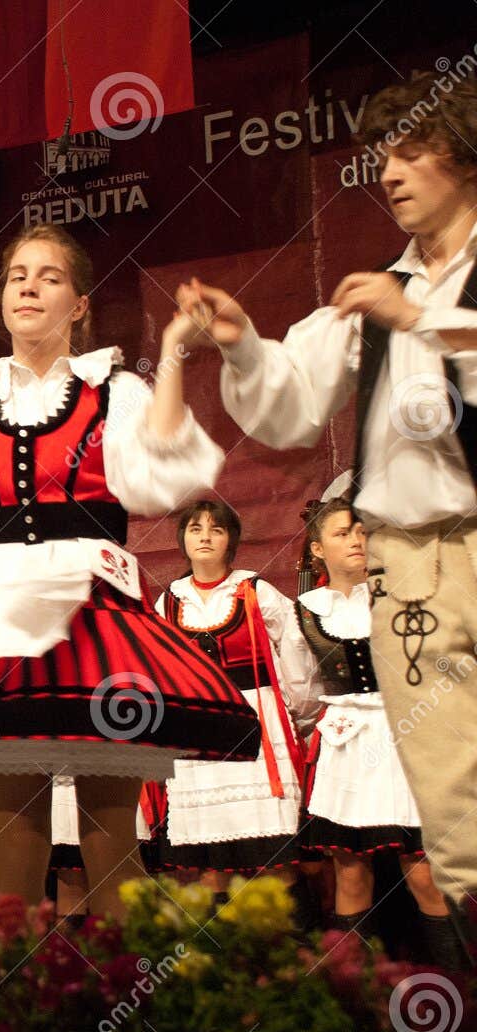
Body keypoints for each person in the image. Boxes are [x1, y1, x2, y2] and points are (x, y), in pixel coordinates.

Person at [0, 223, 257, 921]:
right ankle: (19, 986)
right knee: (17, 833)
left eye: (50, 277)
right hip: (3, 618)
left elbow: (160, 471)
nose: (29, 287)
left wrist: (174, 353)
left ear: (80, 303)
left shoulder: (110, 389)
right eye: (17, 276)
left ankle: (125, 988)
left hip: (96, 616)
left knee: (108, 834)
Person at [180, 73, 477, 953]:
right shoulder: (377, 296)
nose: (389, 173)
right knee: (451, 804)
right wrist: (243, 344)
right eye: (383, 156)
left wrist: (422, 318)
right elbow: (290, 408)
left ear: (465, 155)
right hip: (412, 567)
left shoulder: (406, 300)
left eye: (412, 151)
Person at [280, 498, 463, 967]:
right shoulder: (305, 611)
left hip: (406, 736)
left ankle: (460, 991)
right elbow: (300, 691)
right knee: (350, 872)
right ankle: (356, 992)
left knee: (423, 872)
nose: (356, 540)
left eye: (362, 532)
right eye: (342, 533)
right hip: (347, 744)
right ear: (317, 548)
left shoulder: (400, 594)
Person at [156, 501, 308, 900]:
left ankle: (284, 936)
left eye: (216, 529)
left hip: (257, 726)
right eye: (195, 529)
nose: (205, 537)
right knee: (212, 865)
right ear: (183, 540)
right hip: (200, 732)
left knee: (274, 859)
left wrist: (297, 714)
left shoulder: (256, 591)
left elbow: (295, 654)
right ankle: (221, 938)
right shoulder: (169, 602)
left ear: (231, 541)